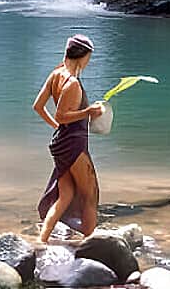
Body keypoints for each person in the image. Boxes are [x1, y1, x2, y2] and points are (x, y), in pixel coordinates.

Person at [32, 33, 104, 243]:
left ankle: (42, 240)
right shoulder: (72, 83)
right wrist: (88, 111)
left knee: (66, 196)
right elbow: (62, 116)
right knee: (90, 194)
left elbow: (38, 106)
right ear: (83, 57)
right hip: (74, 144)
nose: (88, 62)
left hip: (62, 142)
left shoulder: (56, 74)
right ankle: (91, 243)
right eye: (89, 57)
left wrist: (58, 128)